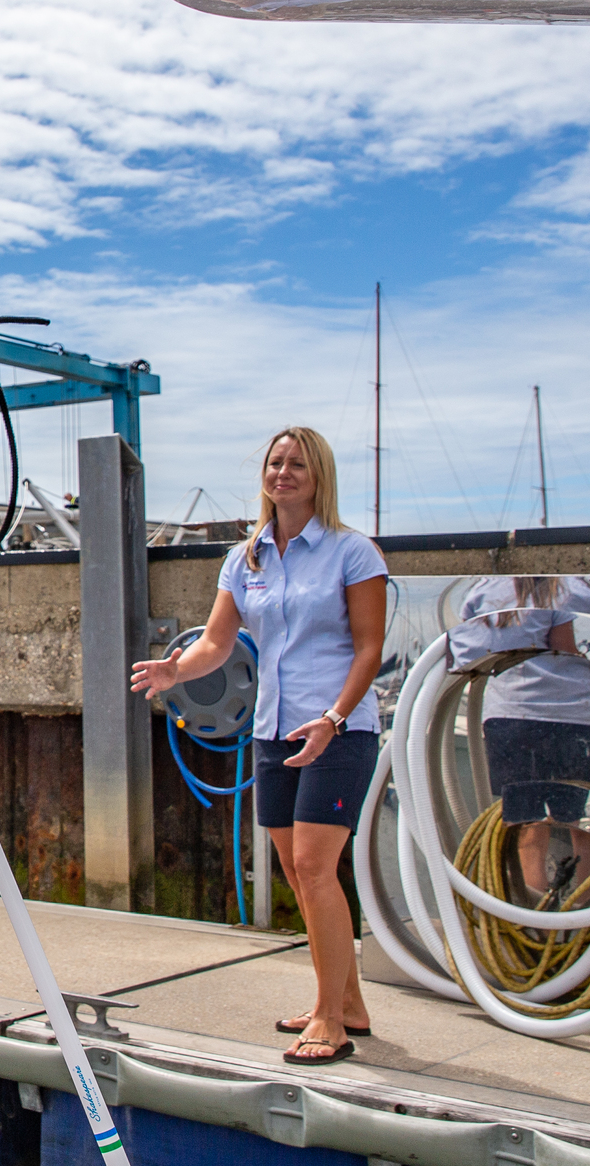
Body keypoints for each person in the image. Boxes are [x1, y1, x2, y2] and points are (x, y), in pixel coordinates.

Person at [130, 426, 386, 1066]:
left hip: (337, 729)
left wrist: (332, 716)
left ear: (318, 475)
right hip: (274, 730)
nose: (284, 473)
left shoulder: (353, 553)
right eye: (276, 462)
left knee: (316, 867)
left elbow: (370, 649)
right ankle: (346, 999)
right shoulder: (247, 558)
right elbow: (217, 643)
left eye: (298, 464)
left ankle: (331, 1020)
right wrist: (175, 670)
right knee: (300, 873)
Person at [457, 577, 590, 896]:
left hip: (515, 716)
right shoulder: (584, 592)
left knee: (525, 826)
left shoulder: (486, 591)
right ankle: (586, 918)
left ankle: (533, 922)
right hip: (585, 718)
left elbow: (467, 655)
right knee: (577, 822)